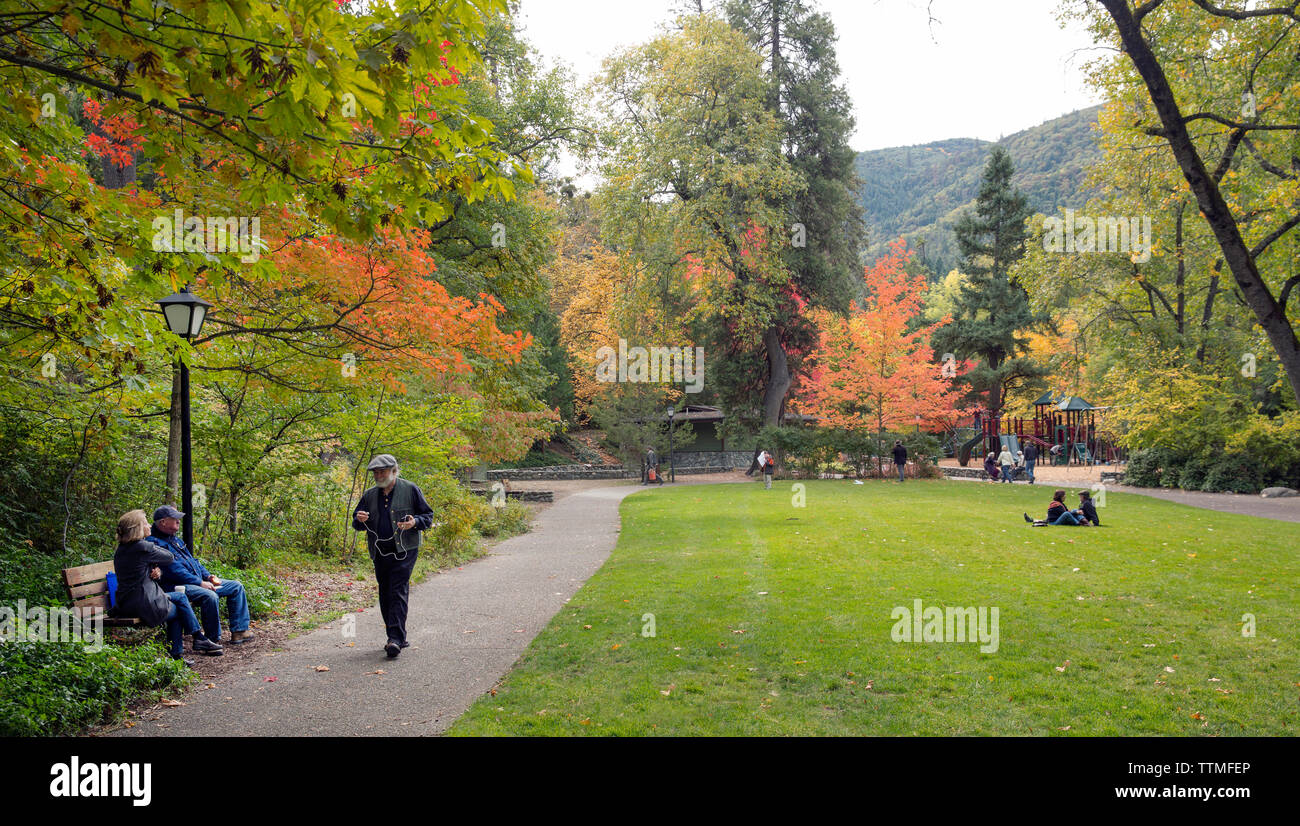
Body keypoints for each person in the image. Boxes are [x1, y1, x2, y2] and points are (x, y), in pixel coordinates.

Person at [352, 454, 436, 658]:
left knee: (398, 588)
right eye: (376, 473)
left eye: (383, 471)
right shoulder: (370, 495)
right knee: (385, 590)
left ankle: (394, 639)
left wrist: (414, 522)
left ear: (394, 471)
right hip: (380, 551)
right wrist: (359, 518)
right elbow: (356, 523)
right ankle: (398, 636)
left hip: (405, 549)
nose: (379, 475)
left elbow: (428, 517)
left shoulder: (410, 489)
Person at [112, 509, 220, 665]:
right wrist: (153, 549)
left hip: (127, 601)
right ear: (138, 528)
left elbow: (138, 569)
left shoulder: (123, 548)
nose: (149, 525)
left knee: (181, 598)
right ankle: (180, 654)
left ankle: (198, 638)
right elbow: (169, 557)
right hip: (142, 602)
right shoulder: (143, 546)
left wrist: (155, 569)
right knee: (178, 611)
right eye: (146, 523)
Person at [150, 505, 255, 646]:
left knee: (235, 586)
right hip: (176, 587)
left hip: (196, 581)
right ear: (163, 522)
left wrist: (208, 576)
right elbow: (174, 571)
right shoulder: (154, 543)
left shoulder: (175, 540)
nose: (178, 521)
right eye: (174, 519)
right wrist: (200, 583)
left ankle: (239, 631)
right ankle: (212, 639)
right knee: (210, 595)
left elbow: (194, 562)